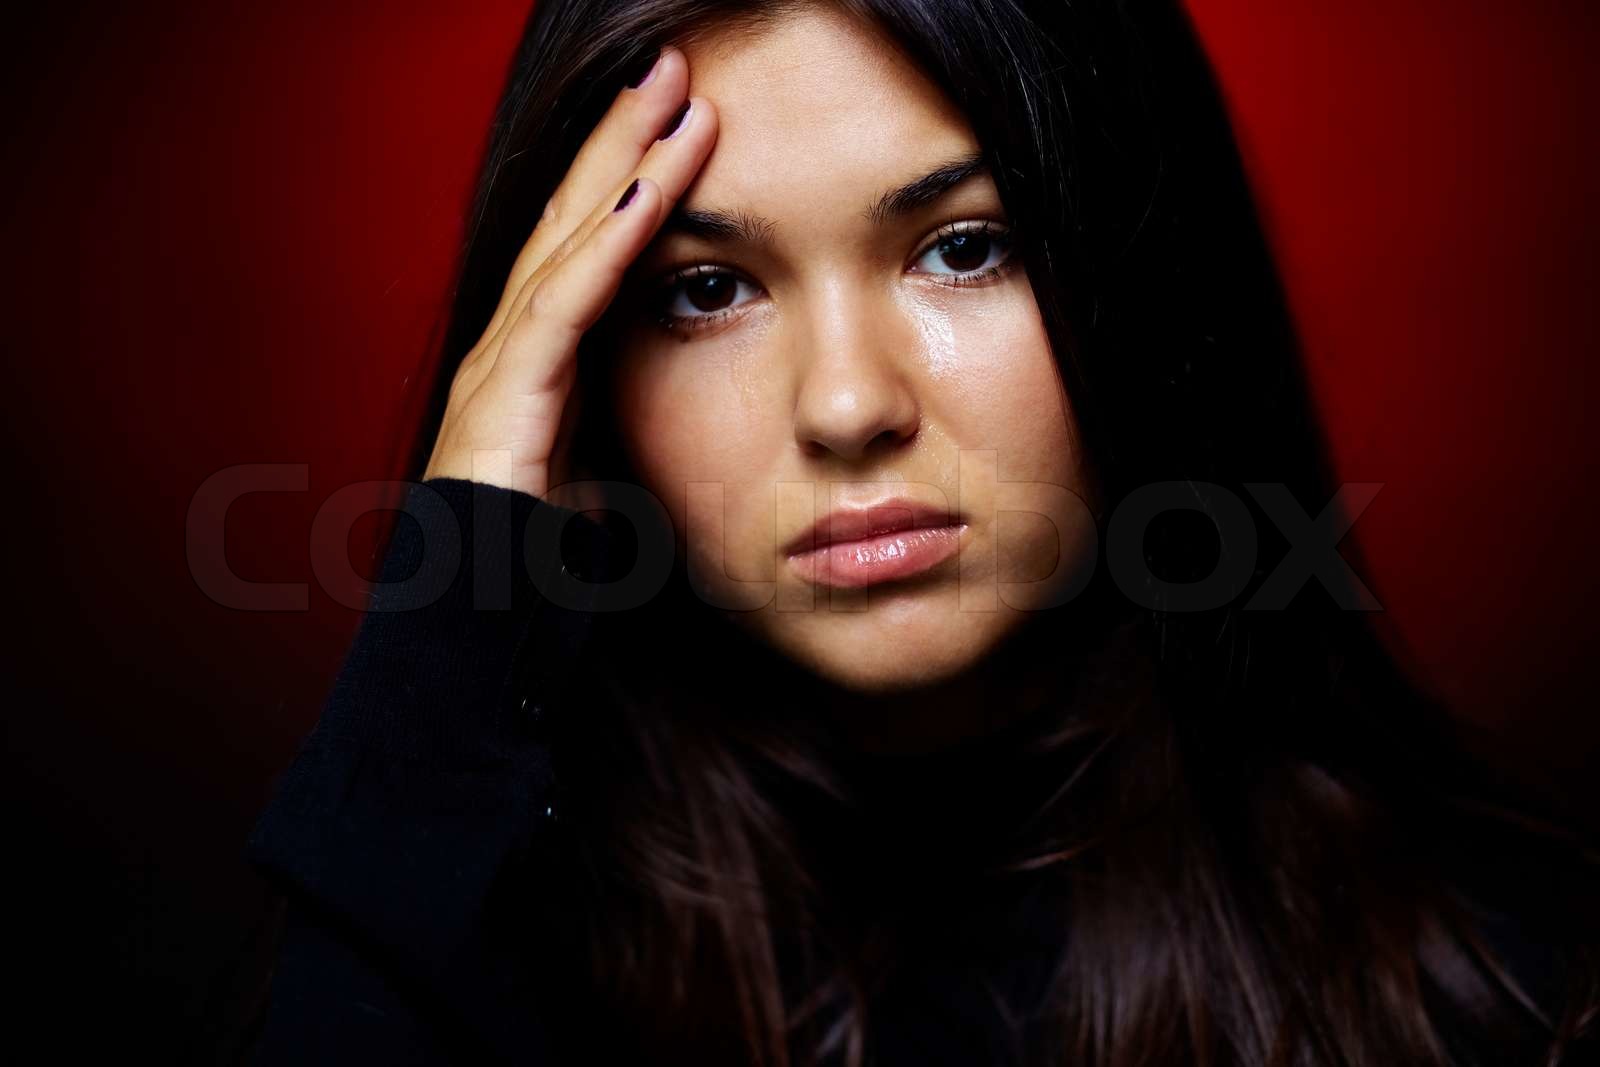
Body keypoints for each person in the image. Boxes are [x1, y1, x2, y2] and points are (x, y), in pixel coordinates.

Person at [242, 0, 1600, 1064]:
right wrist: (449, 614)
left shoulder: (1516, 986)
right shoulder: (464, 947)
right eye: (707, 288)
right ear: (583, 361)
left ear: (1144, 280)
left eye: (963, 248)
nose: (846, 403)